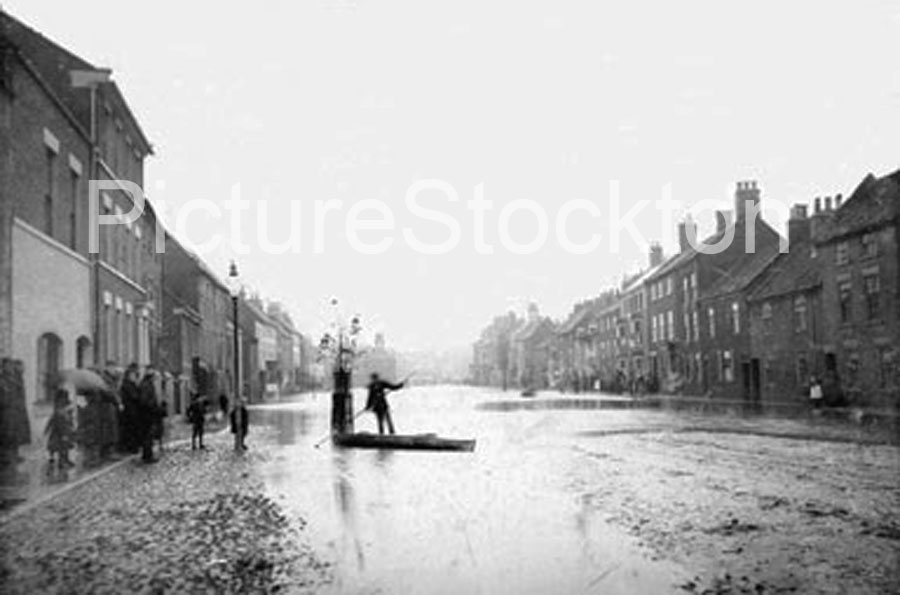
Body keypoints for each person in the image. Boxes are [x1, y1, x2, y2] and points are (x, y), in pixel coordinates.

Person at [45, 389, 75, 470]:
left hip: (64, 431)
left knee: (65, 447)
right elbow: (53, 422)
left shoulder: (64, 409)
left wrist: (71, 427)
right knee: (61, 447)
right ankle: (61, 462)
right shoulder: (58, 411)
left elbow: (68, 419)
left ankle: (64, 460)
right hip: (59, 433)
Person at [138, 367, 159, 463]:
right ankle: (147, 456)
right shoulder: (146, 385)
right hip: (147, 414)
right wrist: (153, 406)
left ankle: (147, 454)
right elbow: (144, 400)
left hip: (147, 413)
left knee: (148, 435)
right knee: (148, 435)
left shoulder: (147, 384)